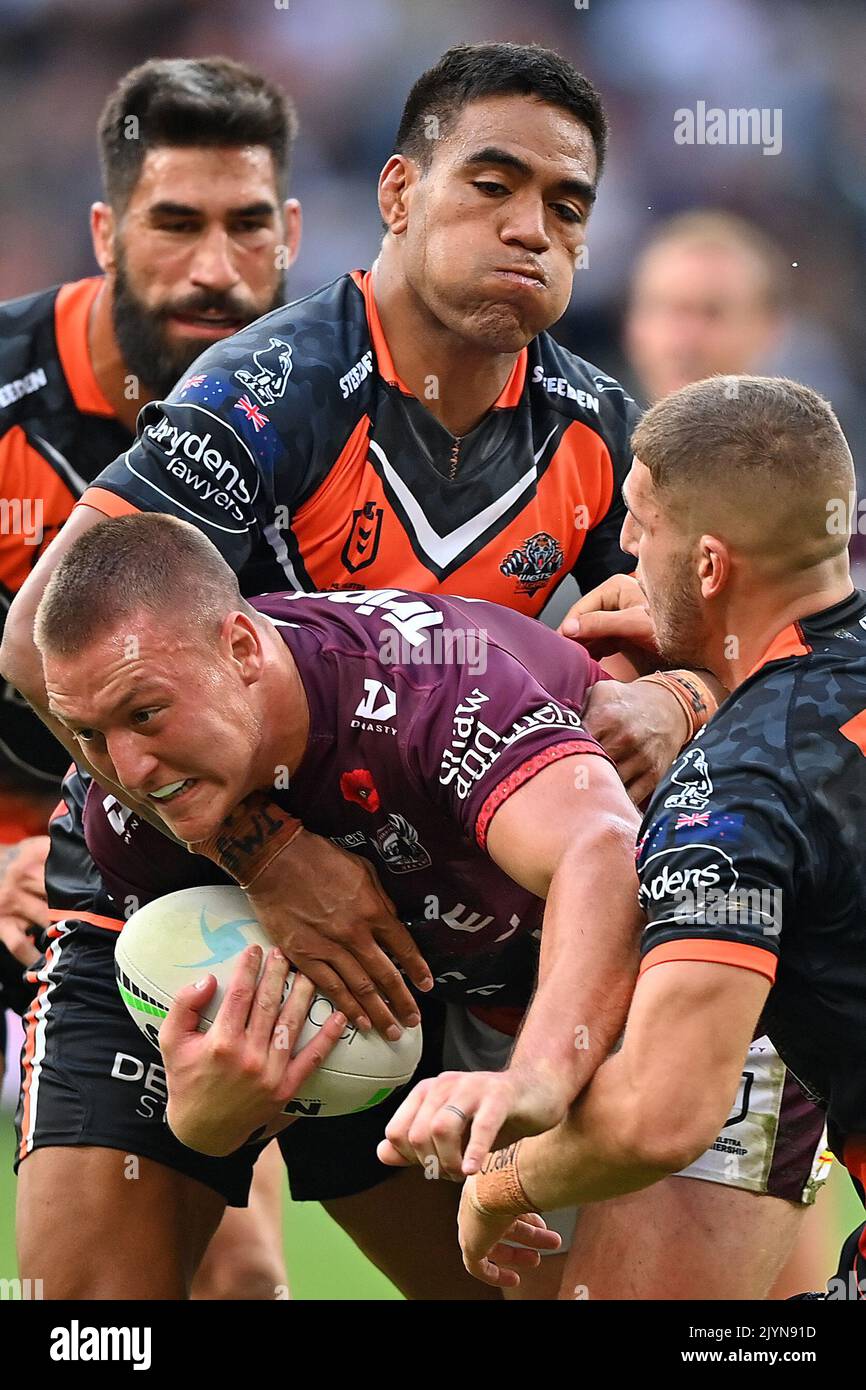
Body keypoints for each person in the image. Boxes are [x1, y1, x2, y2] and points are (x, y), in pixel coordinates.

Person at [0, 42, 784, 1301]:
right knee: (97, 1324)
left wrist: (676, 693)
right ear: (399, 192)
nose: (529, 228)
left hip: (419, 941)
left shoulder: (597, 425)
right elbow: (32, 635)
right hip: (169, 900)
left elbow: (764, 644)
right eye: (491, 185)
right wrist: (267, 849)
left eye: (565, 205)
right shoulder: (273, 389)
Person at [456, 374, 866, 1300]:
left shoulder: (737, 791)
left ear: (713, 565)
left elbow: (660, 1113)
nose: (627, 545)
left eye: (641, 521)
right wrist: (716, 644)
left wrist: (499, 1186)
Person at [0, 53, 304, 1300]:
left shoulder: (318, 407)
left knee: (238, 1283)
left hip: (211, 871)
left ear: (290, 232)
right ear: (106, 229)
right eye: (175, 224)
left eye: (246, 228)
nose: (214, 270)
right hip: (19, 866)